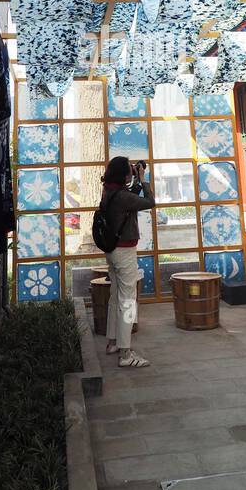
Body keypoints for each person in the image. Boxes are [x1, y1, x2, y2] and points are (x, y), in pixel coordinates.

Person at [99, 155, 155, 368]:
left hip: (112, 252)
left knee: (115, 297)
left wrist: (135, 179)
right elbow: (149, 202)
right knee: (128, 300)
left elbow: (130, 197)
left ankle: (112, 342)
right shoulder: (122, 196)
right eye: (129, 169)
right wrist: (143, 178)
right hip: (125, 253)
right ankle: (126, 353)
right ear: (124, 174)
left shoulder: (109, 191)